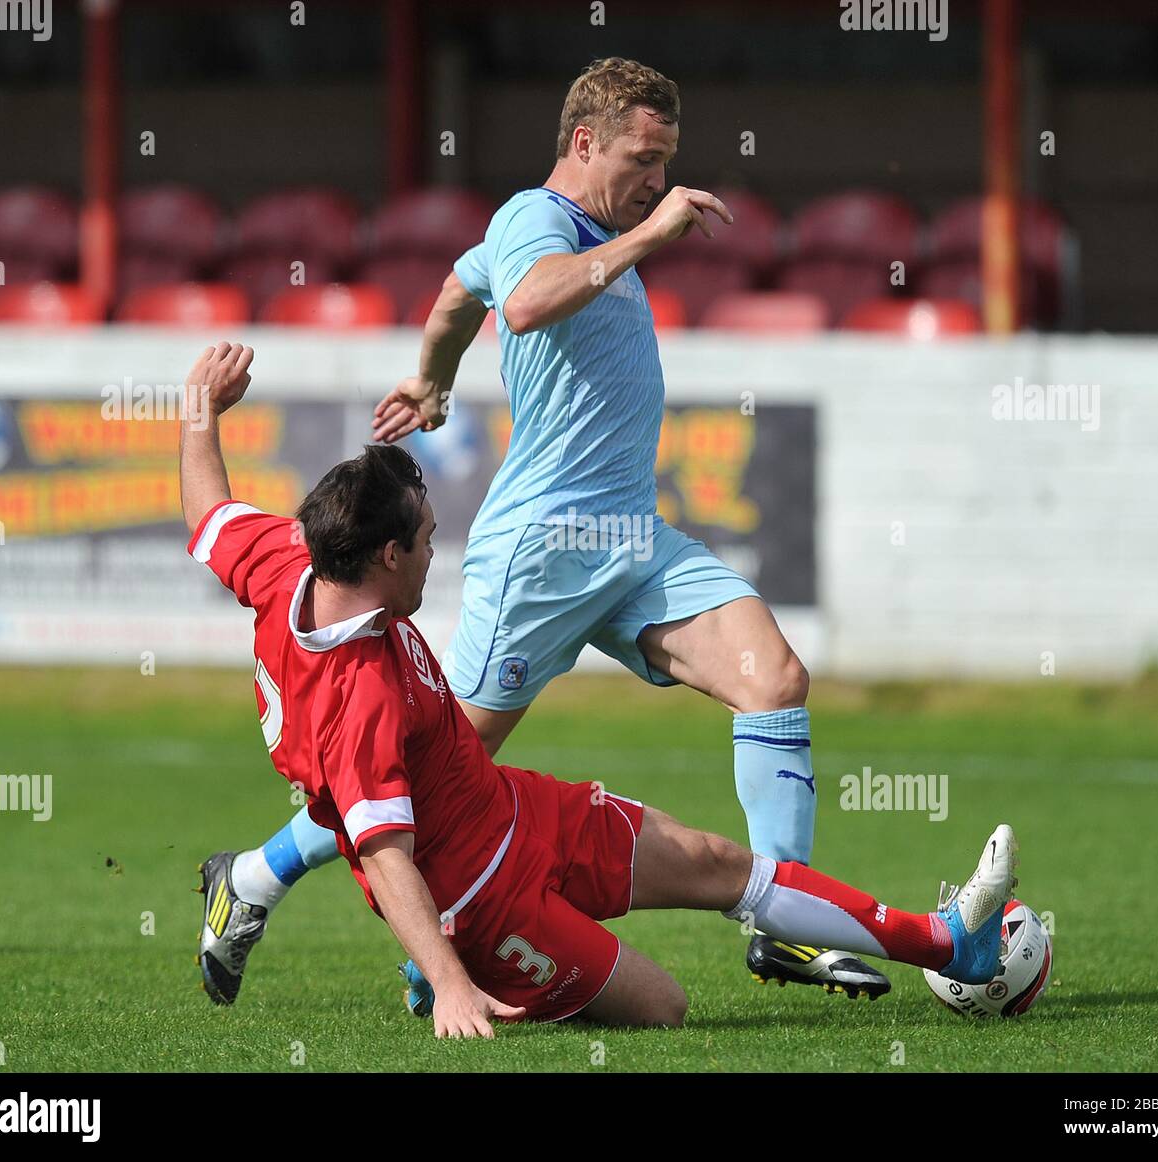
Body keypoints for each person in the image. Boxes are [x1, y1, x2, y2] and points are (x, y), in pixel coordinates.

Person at [200, 57, 877, 1008]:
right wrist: (648, 232)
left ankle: (786, 928)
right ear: (586, 142)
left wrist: (432, 376)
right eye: (645, 157)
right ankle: (261, 879)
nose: (658, 177)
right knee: (439, 760)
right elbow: (519, 299)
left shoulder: (570, 231)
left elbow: (460, 293)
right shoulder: (539, 221)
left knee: (774, 679)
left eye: (669, 161)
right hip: (546, 551)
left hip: (632, 542)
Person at [183, 342, 1019, 1037]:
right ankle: (471, 974)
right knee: (665, 1008)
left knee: (716, 860)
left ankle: (953, 947)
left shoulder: (288, 558)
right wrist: (447, 980)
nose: (440, 555)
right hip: (481, 901)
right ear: (387, 557)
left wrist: (198, 405)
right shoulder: (358, 691)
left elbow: (206, 513)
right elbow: (385, 857)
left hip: (517, 811)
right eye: (430, 541)